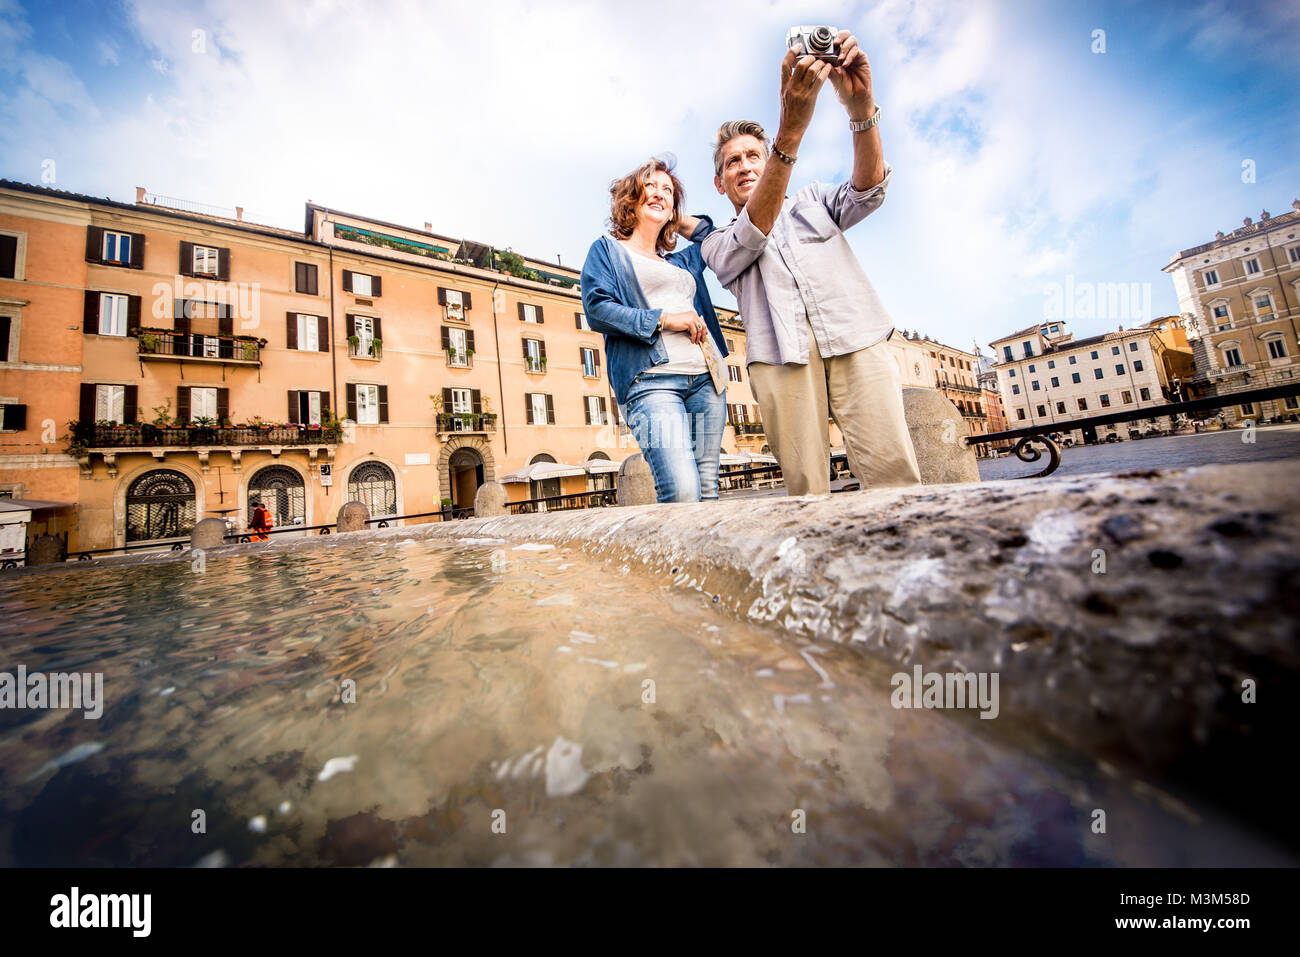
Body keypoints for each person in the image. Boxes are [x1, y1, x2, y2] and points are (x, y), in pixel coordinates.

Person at [701, 30, 923, 496]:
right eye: (732, 162)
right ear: (720, 184)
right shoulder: (716, 242)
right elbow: (754, 232)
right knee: (807, 491)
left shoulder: (814, 198)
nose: (745, 166)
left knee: (894, 477)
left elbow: (869, 192)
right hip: (780, 360)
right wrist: (790, 134)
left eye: (753, 156)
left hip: (857, 336)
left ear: (767, 163)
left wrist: (862, 113)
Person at [580, 157, 729, 502]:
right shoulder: (609, 251)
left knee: (707, 489)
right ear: (630, 197)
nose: (660, 193)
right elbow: (598, 310)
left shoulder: (681, 261)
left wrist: (671, 216)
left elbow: (711, 234)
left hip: (707, 379)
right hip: (651, 381)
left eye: (668, 190)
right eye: (650, 186)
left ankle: (701, 560)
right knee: (682, 489)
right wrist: (665, 319)